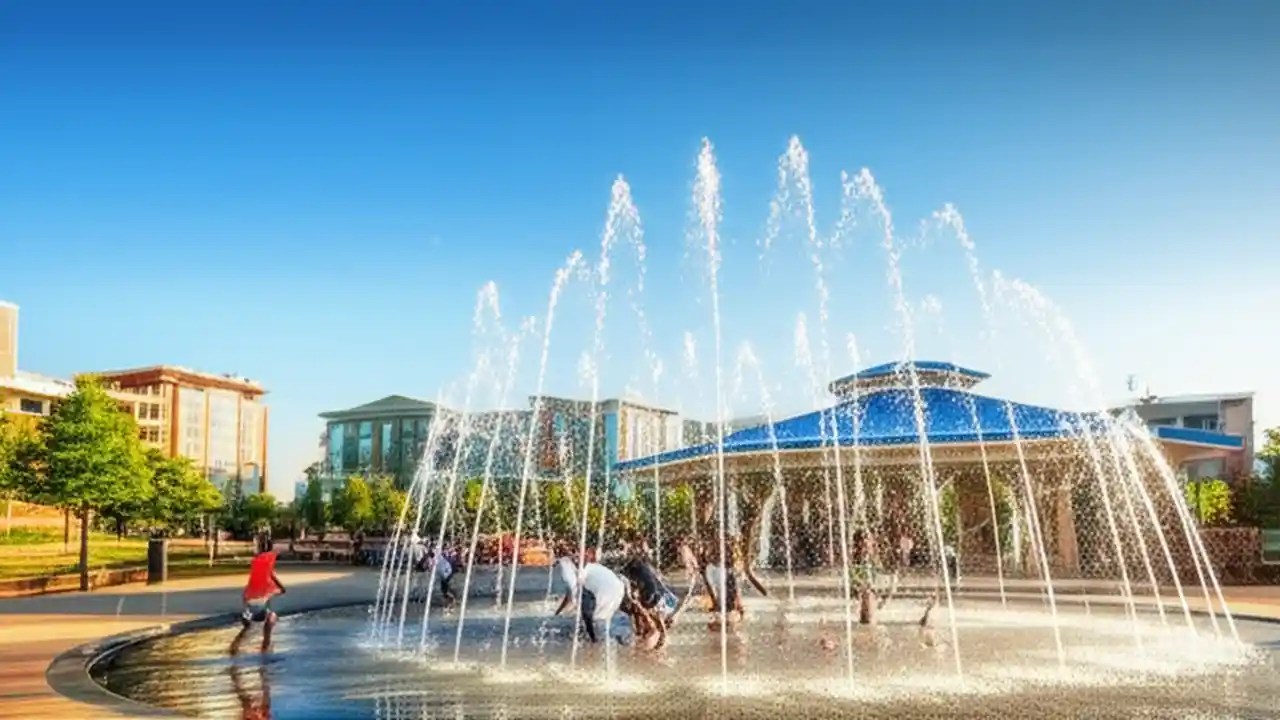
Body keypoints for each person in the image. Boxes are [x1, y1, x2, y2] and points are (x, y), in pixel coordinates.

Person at [553, 556, 640, 644]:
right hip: (617, 589)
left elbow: (574, 594)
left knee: (589, 617)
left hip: (606, 595)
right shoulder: (591, 568)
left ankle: (594, 640)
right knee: (597, 620)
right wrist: (558, 612)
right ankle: (631, 634)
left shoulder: (579, 575)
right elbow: (570, 595)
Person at [232, 538, 287, 653]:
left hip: (249, 606)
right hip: (258, 608)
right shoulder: (267, 587)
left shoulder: (256, 564)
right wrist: (279, 589)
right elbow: (277, 583)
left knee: (247, 628)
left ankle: (234, 650)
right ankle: (265, 652)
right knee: (270, 620)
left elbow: (268, 574)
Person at [618, 550, 679, 649]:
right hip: (659, 600)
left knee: (646, 611)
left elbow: (647, 616)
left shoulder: (652, 607)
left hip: (658, 600)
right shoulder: (654, 607)